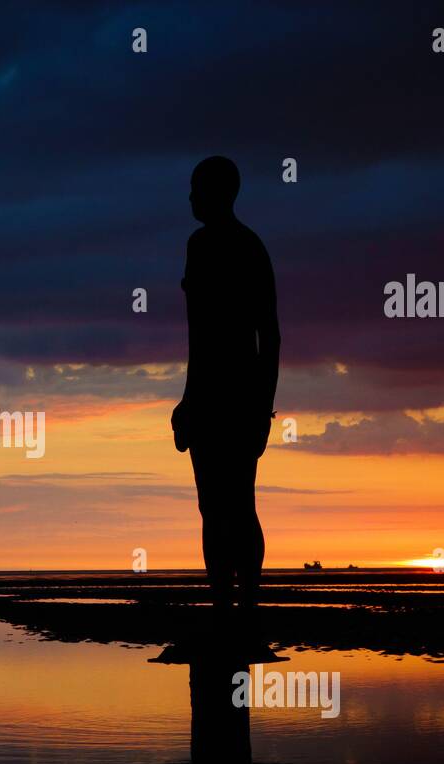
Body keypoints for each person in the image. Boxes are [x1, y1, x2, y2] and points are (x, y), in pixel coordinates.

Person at [171, 157, 280, 611]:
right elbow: (200, 338)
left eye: (197, 189)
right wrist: (187, 400)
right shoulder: (197, 245)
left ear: (219, 192)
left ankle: (248, 605)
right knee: (211, 506)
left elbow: (268, 335)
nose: (191, 198)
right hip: (206, 399)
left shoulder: (248, 247)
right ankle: (221, 603)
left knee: (239, 503)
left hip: (238, 401)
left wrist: (262, 410)